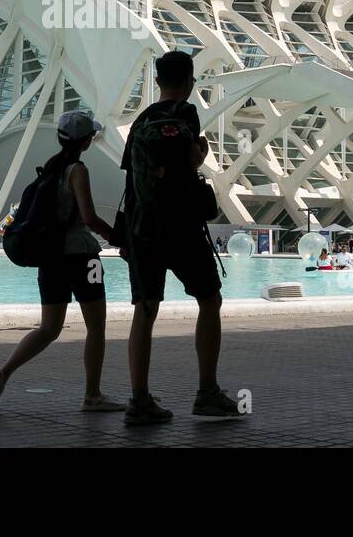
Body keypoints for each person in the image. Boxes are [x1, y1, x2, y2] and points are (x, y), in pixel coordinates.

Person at [114, 50, 242, 426]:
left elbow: (131, 180)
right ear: (189, 82)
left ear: (157, 82)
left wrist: (127, 233)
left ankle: (138, 398)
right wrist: (200, 153)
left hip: (144, 229)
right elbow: (189, 161)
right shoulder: (186, 113)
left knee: (146, 310)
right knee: (209, 300)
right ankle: (207, 392)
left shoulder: (141, 121)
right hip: (182, 228)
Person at [0, 110, 122, 415]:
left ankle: (1, 375)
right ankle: (92, 396)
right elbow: (89, 219)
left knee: (49, 328)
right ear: (86, 141)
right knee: (96, 327)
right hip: (83, 258)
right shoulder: (77, 171)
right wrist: (121, 239)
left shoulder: (50, 170)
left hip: (51, 258)